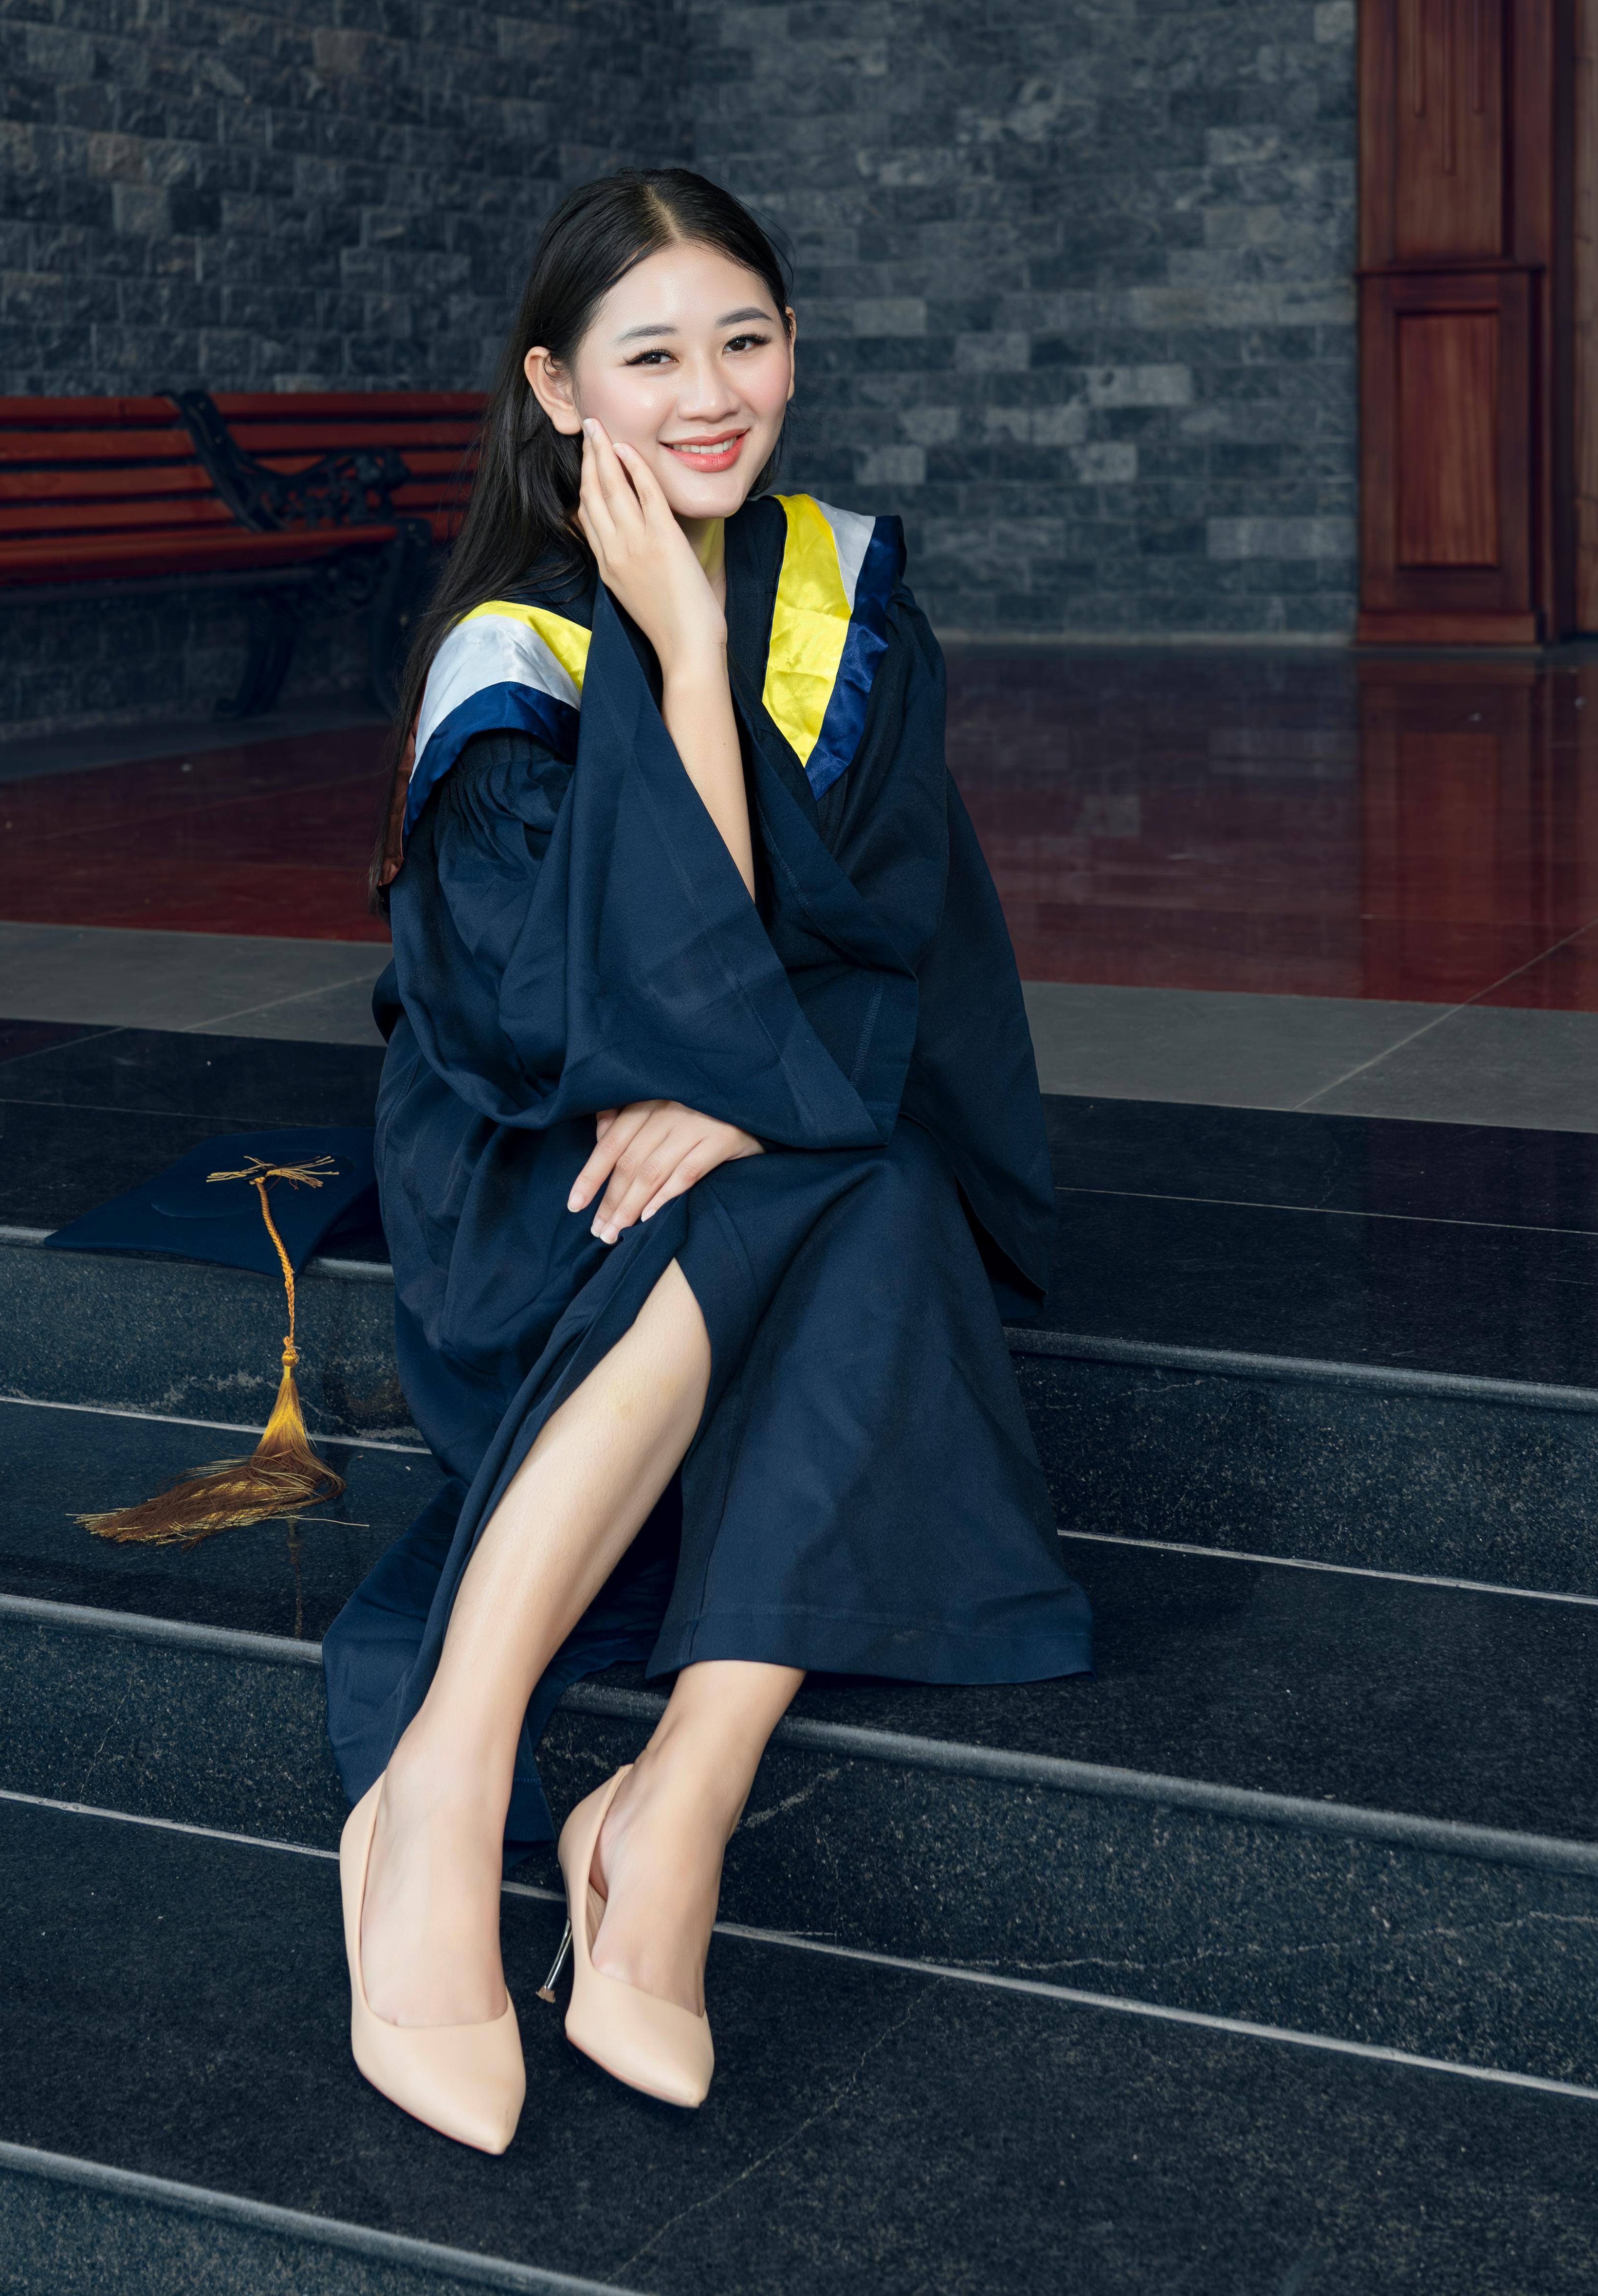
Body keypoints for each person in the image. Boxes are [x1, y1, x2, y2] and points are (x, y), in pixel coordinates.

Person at [326, 167, 1090, 2154]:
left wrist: (762, 1080)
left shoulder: (846, 591)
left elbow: (891, 937)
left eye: (745, 336)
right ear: (556, 386)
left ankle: (677, 1801)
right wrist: (669, 648)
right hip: (539, 1158)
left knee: (852, 1171)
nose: (711, 393)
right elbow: (551, 1015)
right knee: (858, 1186)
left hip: (758, 1120)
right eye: (650, 351)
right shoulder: (513, 655)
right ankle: (456, 1773)